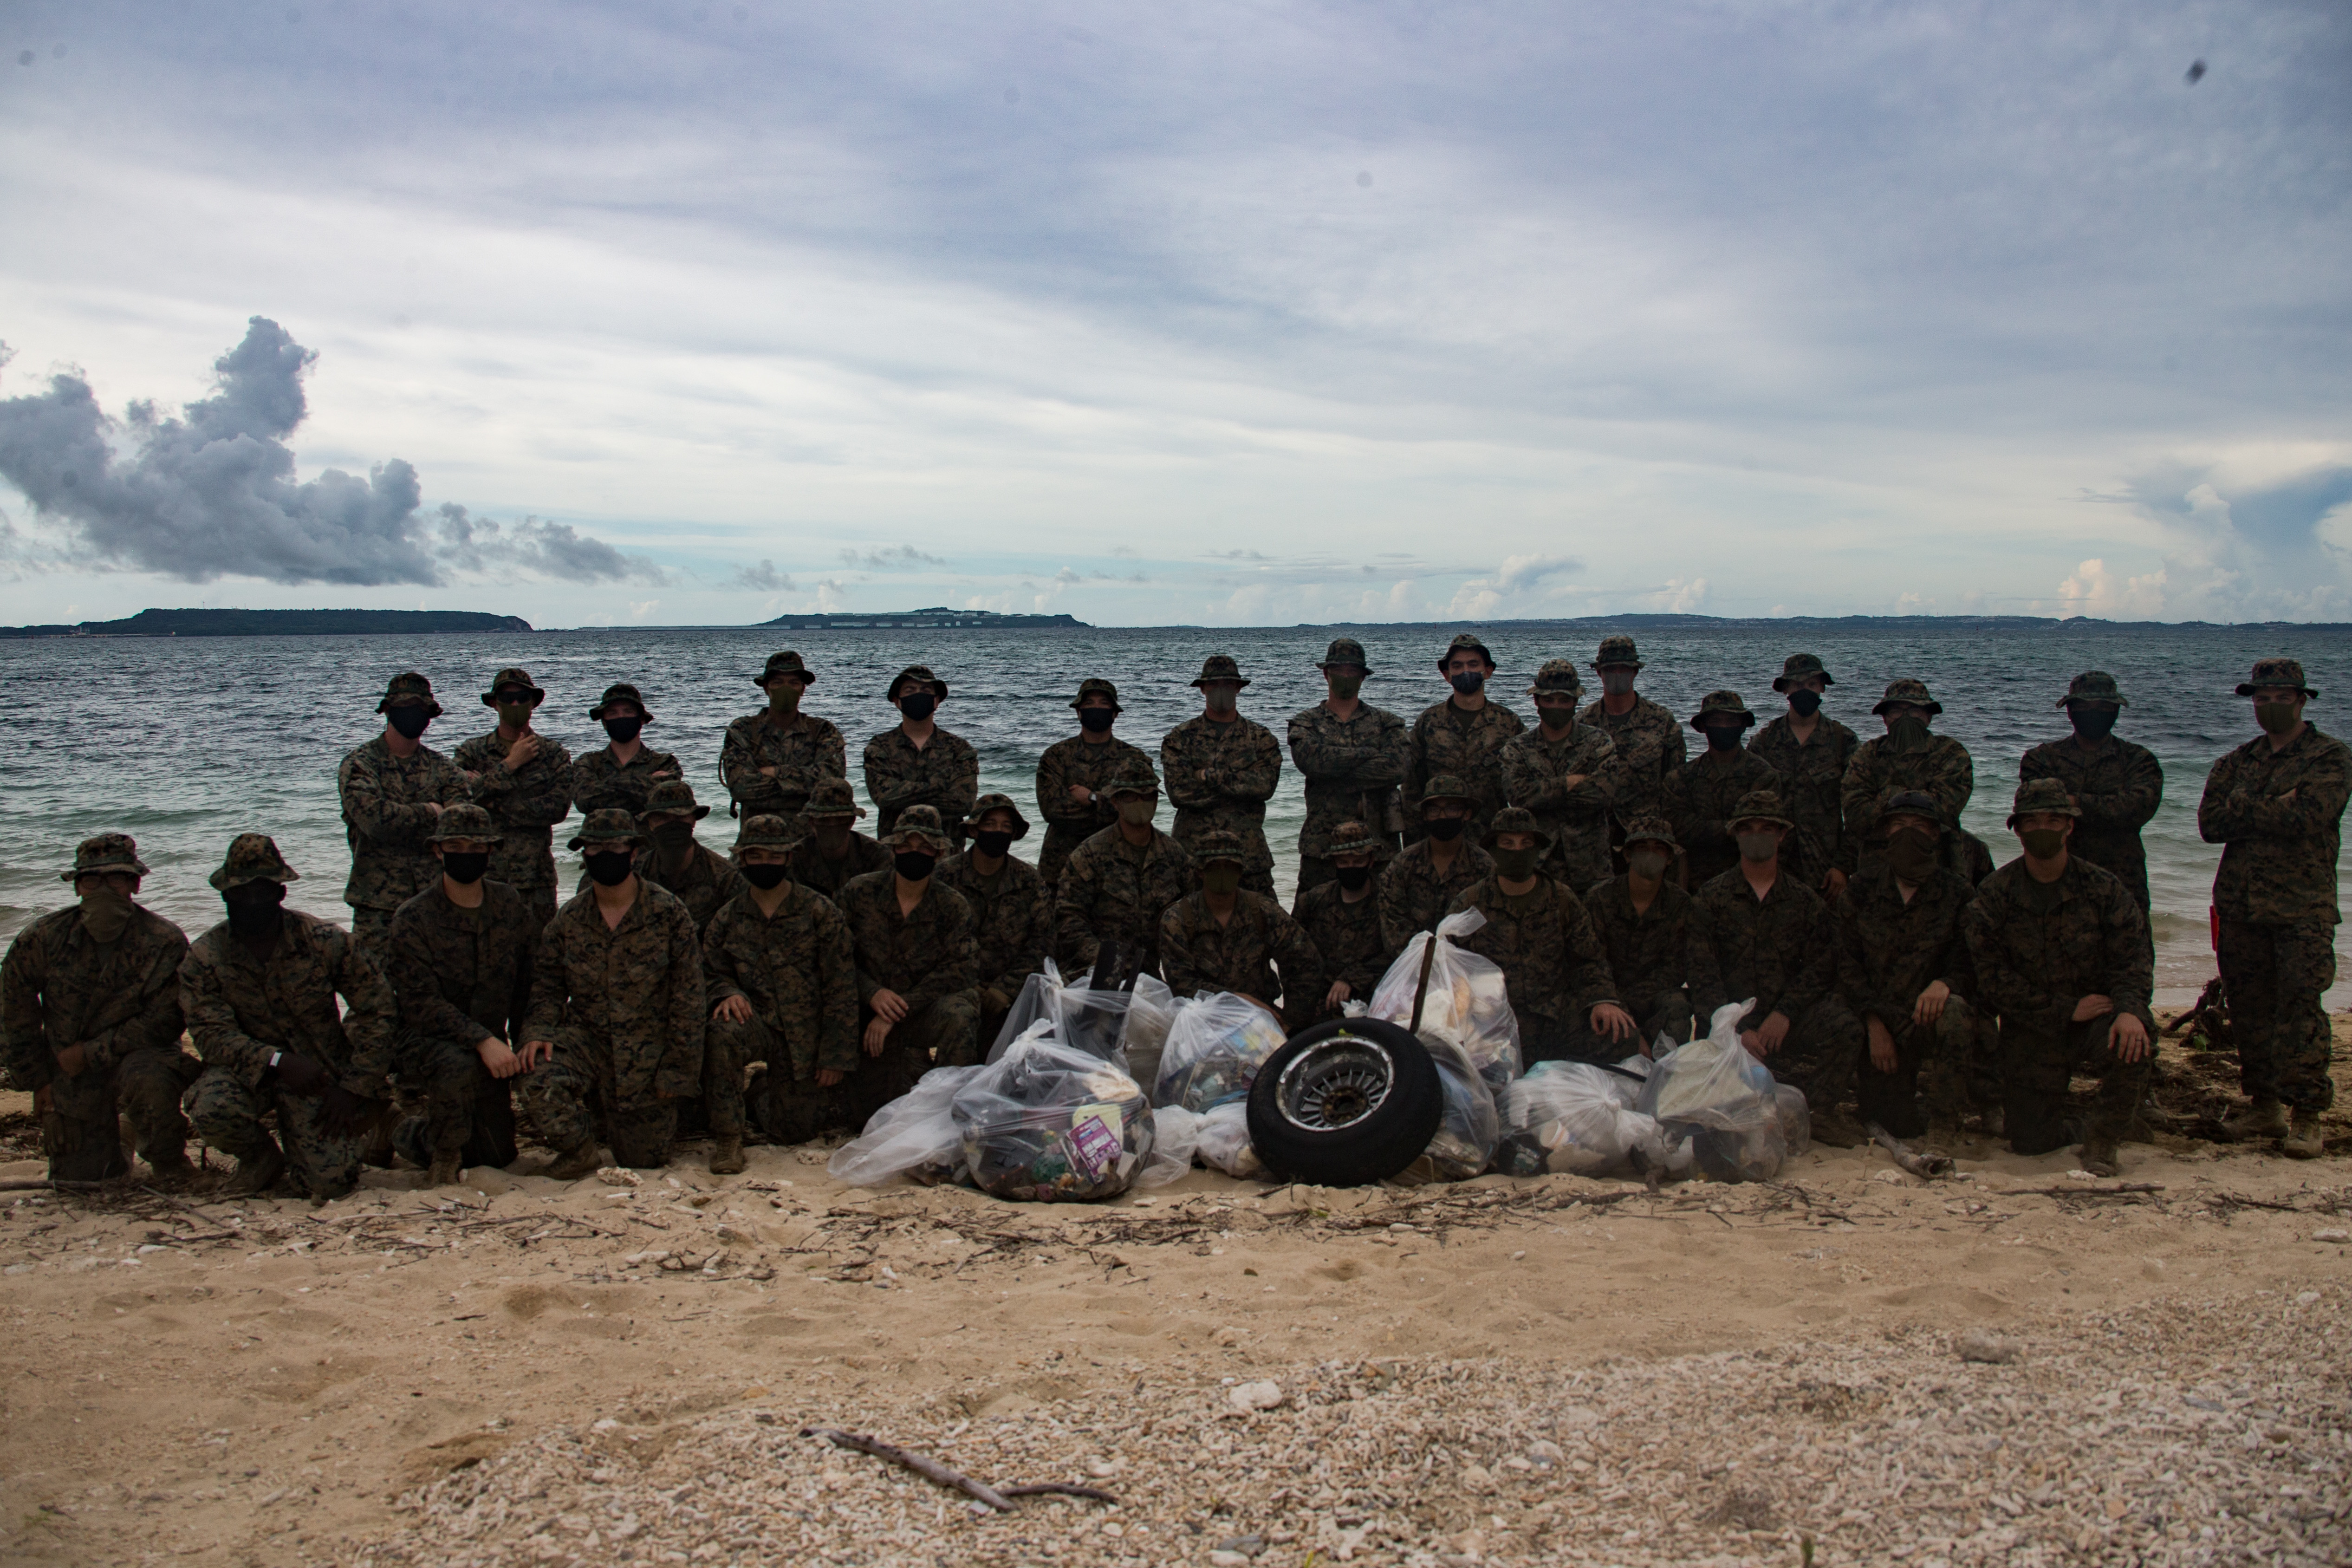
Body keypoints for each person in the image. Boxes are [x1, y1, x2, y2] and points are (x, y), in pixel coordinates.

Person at [181, 835, 399, 1198]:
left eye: (263, 891)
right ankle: (261, 1158)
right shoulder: (204, 956)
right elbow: (210, 1034)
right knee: (212, 1106)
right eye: (242, 892)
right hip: (249, 1072)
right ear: (225, 894)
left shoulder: (324, 940)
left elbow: (379, 1009)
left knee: (327, 1184)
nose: (252, 901)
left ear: (281, 894)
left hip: (321, 1077)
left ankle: (376, 1120)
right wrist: (276, 1060)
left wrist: (355, 1085)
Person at [2196, 657, 2351, 1158]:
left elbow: (2311, 815)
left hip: (2300, 906)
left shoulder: (2329, 757)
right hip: (2239, 904)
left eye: (2279, 697)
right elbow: (2210, 823)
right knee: (2247, 1009)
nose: (2268, 706)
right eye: (2260, 699)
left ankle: (2306, 1113)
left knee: (2300, 1009)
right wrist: (2273, 804)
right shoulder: (2235, 760)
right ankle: (2263, 1103)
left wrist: (2247, 806)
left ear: (2301, 699)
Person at [1964, 779, 2155, 1176]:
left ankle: (2104, 1139)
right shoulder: (1994, 895)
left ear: (2070, 826)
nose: (2043, 830)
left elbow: (2133, 957)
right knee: (2029, 1142)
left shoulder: (2104, 889)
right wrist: (2067, 1009)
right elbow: (1993, 980)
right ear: (2016, 829)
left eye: (2053, 820)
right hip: (2036, 1024)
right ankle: (2083, 1125)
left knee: (2134, 1039)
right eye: (2031, 822)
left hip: (2097, 1018)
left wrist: (2130, 1009)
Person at [519, 809, 707, 1177]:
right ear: (584, 855)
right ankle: (579, 1150)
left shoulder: (669, 913)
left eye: (616, 846)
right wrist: (537, 1033)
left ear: (634, 852)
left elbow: (689, 1000)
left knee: (643, 1157)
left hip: (647, 1052)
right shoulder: (569, 919)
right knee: (535, 1075)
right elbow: (546, 989)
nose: (605, 854)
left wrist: (676, 1072)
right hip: (589, 1041)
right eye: (595, 847)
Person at [1, 833, 196, 1182]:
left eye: (116, 879)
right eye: (92, 880)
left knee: (153, 1080)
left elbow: (167, 1021)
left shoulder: (164, 940)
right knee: (83, 1182)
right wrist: (39, 1080)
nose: (104, 890)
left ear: (135, 884)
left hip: (138, 1057)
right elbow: (15, 1013)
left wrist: (90, 1052)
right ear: (77, 888)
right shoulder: (42, 939)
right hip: (69, 1072)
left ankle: (169, 1161)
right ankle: (122, 1138)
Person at [1687, 790, 1866, 1144]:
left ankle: (1820, 1112)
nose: (1758, 835)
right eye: (1748, 828)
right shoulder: (1711, 898)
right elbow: (1702, 974)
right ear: (1735, 834)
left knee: (1846, 1026)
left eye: (1767, 828)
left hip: (1787, 1020)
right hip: (1731, 1024)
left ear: (1783, 834)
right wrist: (1737, 1029)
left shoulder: (1804, 901)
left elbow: (1820, 968)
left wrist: (1786, 1012)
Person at [382, 804, 539, 1185]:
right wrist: (483, 1040)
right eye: (456, 845)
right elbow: (420, 1003)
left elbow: (529, 982)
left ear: (490, 850)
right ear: (438, 851)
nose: (466, 854)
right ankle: (436, 1151)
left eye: (476, 846)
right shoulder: (413, 917)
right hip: (425, 1039)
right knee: (457, 1064)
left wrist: (528, 1037)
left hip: (489, 1043)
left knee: (497, 1155)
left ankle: (409, 1131)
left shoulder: (509, 905)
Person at [702, 815, 863, 1160]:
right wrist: (727, 992)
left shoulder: (820, 911)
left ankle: (760, 1089)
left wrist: (835, 1056)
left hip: (806, 1031)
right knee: (722, 1031)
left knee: (794, 1129)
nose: (765, 864)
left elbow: (842, 987)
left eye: (774, 856)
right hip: (755, 1022)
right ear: (742, 859)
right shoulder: (728, 917)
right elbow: (710, 971)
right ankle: (729, 1137)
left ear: (789, 859)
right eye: (756, 856)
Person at [1836, 792, 1979, 1143]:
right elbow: (1844, 964)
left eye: (1918, 827)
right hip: (1876, 1021)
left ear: (1935, 834)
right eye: (1899, 825)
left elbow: (1973, 962)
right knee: (1892, 1119)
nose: (1908, 834)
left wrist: (1946, 983)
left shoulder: (1958, 893)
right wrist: (1873, 1021)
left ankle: (1946, 1122)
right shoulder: (1861, 889)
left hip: (1923, 1018)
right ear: (1886, 833)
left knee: (1957, 1013)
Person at [1446, 807, 1631, 1065]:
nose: (1517, 851)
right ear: (1495, 850)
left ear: (1537, 849)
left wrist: (1602, 1001)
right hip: (1495, 1021)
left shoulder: (1563, 899)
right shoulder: (1470, 904)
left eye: (1526, 843)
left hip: (1557, 1016)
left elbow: (1589, 960)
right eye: (1508, 844)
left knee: (1622, 1036)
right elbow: (1448, 967)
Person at [838, 806, 982, 1074]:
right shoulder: (859, 892)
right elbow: (835, 957)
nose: (914, 852)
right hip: (862, 1008)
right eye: (906, 844)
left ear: (939, 854)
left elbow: (960, 970)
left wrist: (898, 1009)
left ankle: (948, 1093)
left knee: (961, 1012)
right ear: (893, 848)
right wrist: (872, 992)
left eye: (925, 846)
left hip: (918, 1010)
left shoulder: (952, 905)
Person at [338, 671, 467, 950]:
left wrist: (407, 817)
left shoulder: (443, 768)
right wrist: (431, 812)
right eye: (405, 708)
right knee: (375, 990)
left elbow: (460, 825)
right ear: (387, 711)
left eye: (421, 709)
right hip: (377, 907)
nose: (414, 715)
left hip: (435, 902)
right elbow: (376, 821)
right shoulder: (360, 764)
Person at [2019, 671, 2163, 914]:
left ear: (2116, 711)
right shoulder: (2041, 759)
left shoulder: (2139, 759)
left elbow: (2137, 808)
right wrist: (2103, 807)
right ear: (2070, 710)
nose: (2094, 712)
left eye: (2103, 707)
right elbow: (2038, 809)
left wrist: (2075, 802)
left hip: (2123, 885)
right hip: (2054, 883)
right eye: (2085, 706)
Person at [1160, 828, 1325, 1033]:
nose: (1222, 873)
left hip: (1261, 1021)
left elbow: (1305, 962)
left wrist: (1291, 1021)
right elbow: (1181, 984)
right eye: (1214, 867)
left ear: (1241, 870)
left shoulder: (1263, 911)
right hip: (1202, 1022)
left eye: (1230, 866)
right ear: (1200, 871)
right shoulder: (1178, 919)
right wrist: (1237, 1000)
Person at [450, 666, 574, 929]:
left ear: (534, 704)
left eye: (522, 698)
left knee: (538, 959)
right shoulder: (471, 752)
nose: (515, 703)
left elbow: (558, 809)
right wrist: (510, 765)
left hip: (536, 882)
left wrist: (493, 802)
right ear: (495, 704)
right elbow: (460, 803)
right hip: (484, 877)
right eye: (507, 698)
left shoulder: (554, 754)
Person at [1287, 638, 1410, 895]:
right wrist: (1367, 755)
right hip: (1322, 846)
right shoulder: (1306, 722)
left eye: (1352, 671)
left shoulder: (1388, 722)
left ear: (1363, 677)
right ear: (1326, 674)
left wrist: (1334, 774)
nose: (1346, 676)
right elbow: (1310, 761)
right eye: (1339, 671)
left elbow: (1398, 767)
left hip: (1378, 848)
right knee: (1312, 921)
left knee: (1384, 918)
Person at [1052, 769, 1194, 983]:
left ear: (1156, 801)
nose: (1140, 802)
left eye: (1148, 796)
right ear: (1116, 802)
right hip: (1095, 975)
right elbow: (1068, 918)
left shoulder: (1173, 854)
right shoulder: (1090, 854)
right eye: (1130, 796)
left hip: (1150, 977)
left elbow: (1190, 914)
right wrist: (1106, 961)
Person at [1162, 654, 1284, 897]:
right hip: (1194, 858)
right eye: (1214, 685)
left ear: (1238, 688)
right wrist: (1239, 788)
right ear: (1203, 689)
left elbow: (1264, 787)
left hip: (1248, 857)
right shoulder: (1180, 737)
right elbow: (1179, 793)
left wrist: (1208, 776)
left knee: (1264, 926)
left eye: (1228, 684)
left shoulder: (1261, 737)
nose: (1221, 690)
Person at [1574, 816, 1696, 1056]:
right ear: (1628, 855)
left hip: (1652, 1000)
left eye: (1659, 849)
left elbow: (1675, 968)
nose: (1650, 855)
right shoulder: (1600, 899)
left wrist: (1630, 1007)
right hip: (1607, 998)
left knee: (1677, 1007)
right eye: (1642, 848)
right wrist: (1616, 1008)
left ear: (1670, 858)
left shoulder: (1681, 904)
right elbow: (1591, 960)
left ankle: (1667, 1073)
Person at [939, 794, 1051, 1051]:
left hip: (1011, 992)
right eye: (990, 824)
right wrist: (973, 988)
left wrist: (1006, 989)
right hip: (955, 988)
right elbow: (931, 944)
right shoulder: (945, 876)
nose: (998, 831)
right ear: (974, 829)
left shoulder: (1029, 880)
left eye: (1006, 826)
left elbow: (1042, 942)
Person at [1501, 659, 1621, 891]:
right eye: (1549, 700)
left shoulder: (1598, 742)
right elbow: (1519, 797)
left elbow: (1603, 794)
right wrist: (1567, 783)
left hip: (1592, 868)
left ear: (1576, 701)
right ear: (1536, 701)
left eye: (1564, 700)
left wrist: (1543, 794)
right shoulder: (1517, 748)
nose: (1556, 706)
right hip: (1536, 869)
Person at [1747, 653, 1857, 899]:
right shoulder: (1764, 743)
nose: (1804, 690)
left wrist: (1843, 866)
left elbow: (1856, 812)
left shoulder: (1843, 741)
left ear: (1822, 688)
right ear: (1785, 689)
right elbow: (1748, 811)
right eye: (1797, 685)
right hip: (1773, 867)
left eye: (1811, 684)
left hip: (1826, 871)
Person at [1841, 678, 1973, 881]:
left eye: (1914, 711)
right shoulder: (1868, 755)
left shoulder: (1950, 753)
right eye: (1896, 712)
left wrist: (1887, 797)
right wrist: (1904, 796)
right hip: (1876, 873)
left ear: (1928, 717)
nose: (1905, 718)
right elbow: (1856, 817)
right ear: (1885, 718)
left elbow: (1945, 810)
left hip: (1939, 870)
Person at [1034, 677, 1155, 894]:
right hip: (1061, 867)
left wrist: (1091, 798)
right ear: (1079, 712)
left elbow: (1139, 811)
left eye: (1104, 704)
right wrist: (1110, 807)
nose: (1096, 708)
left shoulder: (1135, 759)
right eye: (1089, 704)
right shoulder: (1055, 756)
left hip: (1118, 867)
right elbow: (1052, 811)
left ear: (1115, 713)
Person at [1661, 691, 1788, 888]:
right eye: (1716, 720)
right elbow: (1678, 827)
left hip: (1750, 882)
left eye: (1731, 721)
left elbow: (1760, 827)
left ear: (1743, 726)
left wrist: (1708, 829)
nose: (1723, 727)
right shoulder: (1681, 778)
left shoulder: (1763, 775)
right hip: (1694, 882)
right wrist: (1734, 828)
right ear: (1703, 727)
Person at [1403, 633, 1523, 842]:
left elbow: (1523, 787)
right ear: (1447, 675)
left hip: (1493, 841)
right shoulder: (1428, 723)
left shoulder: (1509, 724)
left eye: (1473, 664)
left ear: (1488, 671)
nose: (1466, 671)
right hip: (1440, 842)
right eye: (1457, 666)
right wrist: (1415, 844)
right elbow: (1411, 789)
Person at [720, 650, 847, 827]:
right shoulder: (743, 731)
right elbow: (741, 788)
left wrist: (776, 772)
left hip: (810, 843)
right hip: (757, 845)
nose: (785, 689)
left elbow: (832, 784)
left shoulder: (823, 731)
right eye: (778, 683)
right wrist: (803, 789)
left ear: (803, 689)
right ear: (766, 688)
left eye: (793, 683)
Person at [1577, 634, 1684, 838]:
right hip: (1594, 836)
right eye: (1610, 669)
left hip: (1648, 837)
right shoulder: (1582, 724)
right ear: (1599, 672)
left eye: (1624, 669)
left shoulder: (1662, 722)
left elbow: (1676, 788)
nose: (1617, 674)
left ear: (1635, 671)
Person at [863, 664, 979, 849]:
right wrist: (939, 785)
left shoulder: (959, 749)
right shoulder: (880, 747)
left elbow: (963, 802)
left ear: (937, 701)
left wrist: (903, 794)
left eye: (926, 690)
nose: (918, 695)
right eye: (910, 690)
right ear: (897, 701)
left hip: (948, 856)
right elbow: (884, 798)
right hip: (894, 852)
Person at [1377, 774, 1494, 952]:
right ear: (1425, 815)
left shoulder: (1485, 867)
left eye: (1452, 809)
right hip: (1412, 966)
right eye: (1434, 810)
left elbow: (1490, 929)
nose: (1443, 816)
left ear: (1467, 814)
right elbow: (1394, 931)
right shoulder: (1402, 866)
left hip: (1467, 970)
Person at [1292, 821, 1394, 1018]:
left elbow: (1400, 951)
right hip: (1321, 1004)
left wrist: (1351, 978)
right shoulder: (1313, 901)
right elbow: (1295, 953)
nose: (1351, 868)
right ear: (1334, 863)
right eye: (1344, 863)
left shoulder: (1389, 900)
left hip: (1376, 1001)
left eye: (1358, 861)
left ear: (1371, 860)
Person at [620, 779, 747, 932]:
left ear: (694, 820)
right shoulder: (632, 875)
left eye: (681, 818)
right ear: (651, 823)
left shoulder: (725, 877)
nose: (673, 825)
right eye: (663, 818)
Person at [571, 682, 682, 818]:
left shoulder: (665, 763)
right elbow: (584, 799)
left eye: (628, 712)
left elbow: (671, 799)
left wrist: (603, 788)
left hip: (649, 839)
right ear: (604, 723)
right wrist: (649, 784)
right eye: (613, 713)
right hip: (602, 839)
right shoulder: (587, 762)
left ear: (641, 719)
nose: (621, 717)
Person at [787, 776, 893, 900]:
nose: (832, 826)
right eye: (824, 820)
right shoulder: (794, 858)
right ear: (812, 823)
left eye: (839, 820)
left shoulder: (878, 857)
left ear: (851, 822)